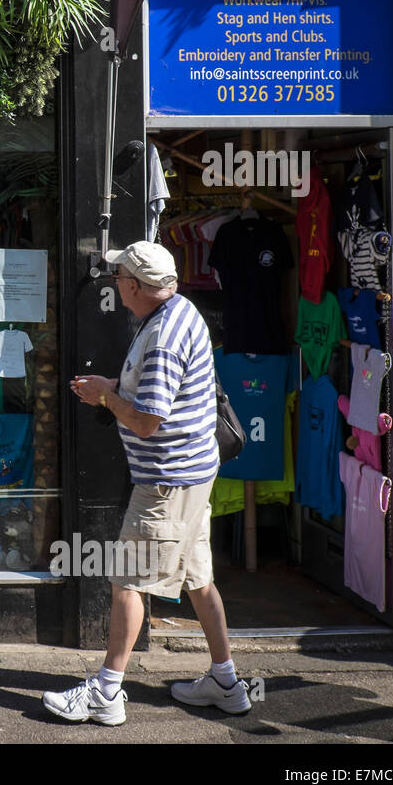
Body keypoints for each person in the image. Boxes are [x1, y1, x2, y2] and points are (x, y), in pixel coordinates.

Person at [42, 240, 251, 726]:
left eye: (119, 278)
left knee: (127, 582)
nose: (115, 284)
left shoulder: (160, 338)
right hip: (192, 476)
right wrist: (114, 388)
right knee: (199, 579)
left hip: (166, 481)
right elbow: (162, 397)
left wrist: (105, 398)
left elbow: (147, 422)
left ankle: (106, 693)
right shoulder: (181, 312)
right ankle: (226, 683)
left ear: (135, 287)